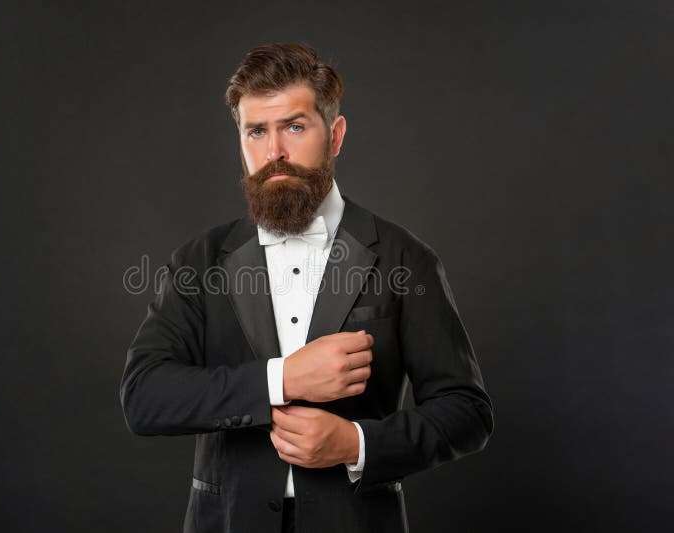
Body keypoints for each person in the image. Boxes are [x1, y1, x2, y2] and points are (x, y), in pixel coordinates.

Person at [120, 42, 494, 533]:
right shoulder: (196, 262)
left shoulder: (407, 258)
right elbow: (144, 396)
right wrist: (282, 379)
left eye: (294, 127)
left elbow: (467, 412)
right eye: (256, 131)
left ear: (335, 136)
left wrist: (357, 445)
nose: (274, 152)